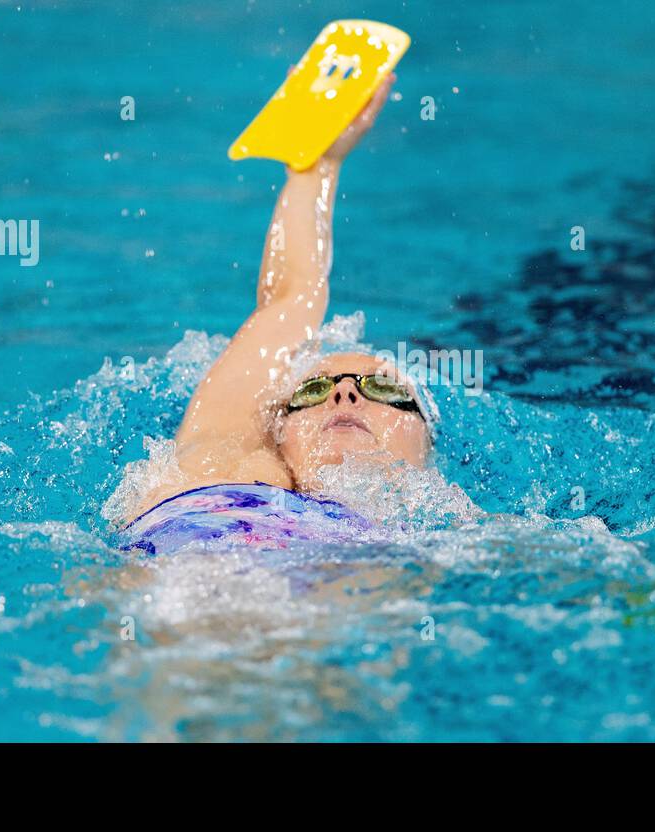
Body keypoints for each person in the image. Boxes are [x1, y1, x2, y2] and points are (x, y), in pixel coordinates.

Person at [118, 75, 430, 554]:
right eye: (313, 388)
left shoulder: (453, 537)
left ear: (428, 448)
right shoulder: (227, 458)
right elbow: (291, 297)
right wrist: (316, 164)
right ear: (278, 429)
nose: (345, 392)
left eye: (384, 387)